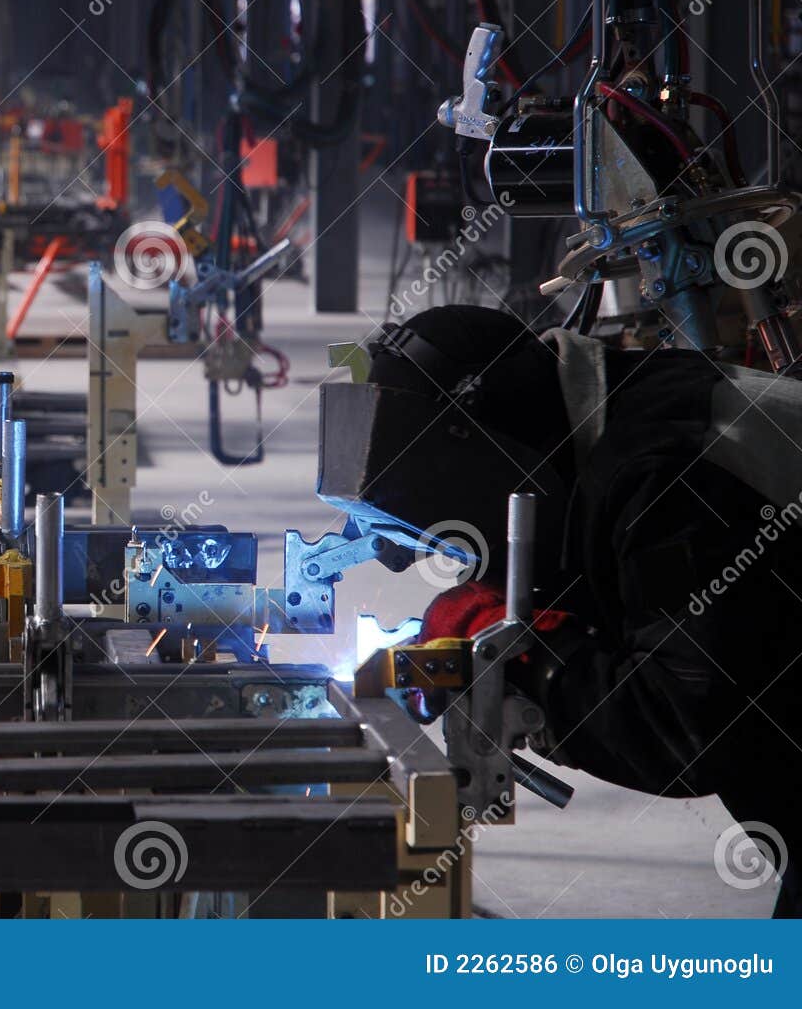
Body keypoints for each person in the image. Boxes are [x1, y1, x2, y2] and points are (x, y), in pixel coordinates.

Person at [322, 304, 802, 916]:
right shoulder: (607, 426)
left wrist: (525, 665)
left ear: (483, 455)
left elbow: (686, 727)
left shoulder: (666, 477)